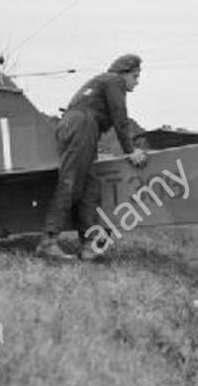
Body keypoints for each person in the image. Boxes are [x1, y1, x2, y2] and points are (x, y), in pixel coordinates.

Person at [37, 54, 148, 263]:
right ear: (124, 73)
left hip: (81, 127)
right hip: (82, 126)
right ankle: (48, 242)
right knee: (71, 183)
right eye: (135, 76)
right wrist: (130, 150)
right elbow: (120, 117)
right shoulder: (113, 81)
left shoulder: (104, 81)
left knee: (90, 186)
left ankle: (89, 244)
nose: (137, 81)